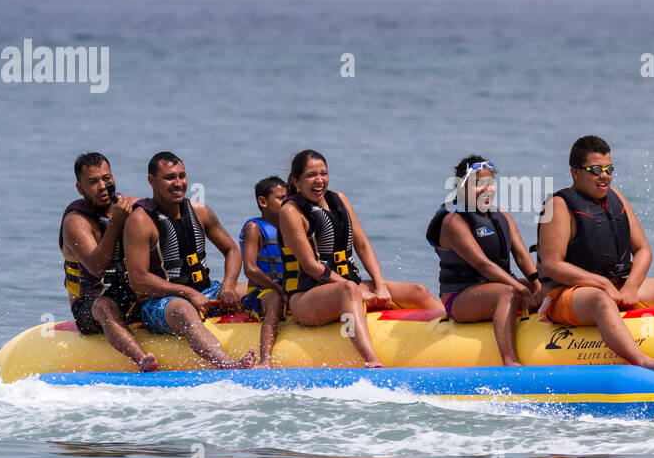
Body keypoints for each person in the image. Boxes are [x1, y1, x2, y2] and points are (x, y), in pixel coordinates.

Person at [536, 135, 654, 376]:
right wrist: (602, 284)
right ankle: (643, 362)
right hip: (568, 295)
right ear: (575, 172)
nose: (605, 176)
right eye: (595, 170)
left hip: (619, 286)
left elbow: (643, 249)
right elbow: (552, 265)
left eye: (609, 169)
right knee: (600, 300)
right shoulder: (559, 205)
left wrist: (631, 286)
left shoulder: (617, 198)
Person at [277, 149, 443, 367]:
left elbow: (363, 245)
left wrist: (380, 285)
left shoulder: (340, 200)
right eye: (311, 175)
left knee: (418, 291)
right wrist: (357, 291)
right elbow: (310, 265)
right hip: (306, 298)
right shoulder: (291, 211)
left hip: (350, 286)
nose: (319, 180)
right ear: (296, 181)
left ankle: (452, 337)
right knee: (349, 290)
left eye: (324, 173)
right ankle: (371, 361)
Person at [123, 151, 254, 369]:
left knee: (256, 291)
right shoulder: (140, 221)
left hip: (207, 292)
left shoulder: (200, 211)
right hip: (161, 303)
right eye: (169, 177)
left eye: (182, 176)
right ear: (151, 181)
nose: (178, 183)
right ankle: (228, 365)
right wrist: (187, 293)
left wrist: (228, 286)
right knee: (184, 310)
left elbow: (232, 250)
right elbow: (138, 279)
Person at [425, 156, 540, 365]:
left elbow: (523, 257)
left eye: (489, 183)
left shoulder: (502, 216)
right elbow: (483, 265)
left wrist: (538, 285)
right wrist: (522, 290)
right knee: (508, 292)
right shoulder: (454, 222)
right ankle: (509, 360)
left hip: (498, 286)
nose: (485, 189)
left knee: (545, 289)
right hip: (460, 298)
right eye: (477, 184)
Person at [59, 152, 157, 372]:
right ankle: (143, 361)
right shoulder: (76, 223)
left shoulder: (130, 205)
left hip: (132, 299)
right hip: (90, 307)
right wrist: (116, 223)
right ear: (80, 188)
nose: (103, 186)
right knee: (105, 305)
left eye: (106, 178)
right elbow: (96, 268)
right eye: (93, 182)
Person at [239, 175, 290, 368]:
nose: (285, 203)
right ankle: (265, 359)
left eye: (287, 198)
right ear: (263, 201)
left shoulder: (289, 227)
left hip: (287, 288)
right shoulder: (255, 227)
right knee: (275, 301)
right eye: (280, 198)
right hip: (261, 293)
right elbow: (250, 269)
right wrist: (278, 289)